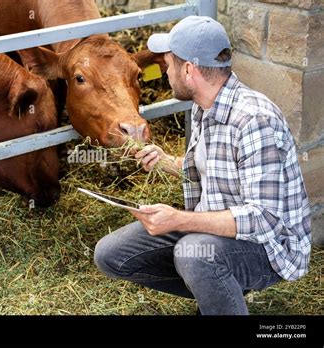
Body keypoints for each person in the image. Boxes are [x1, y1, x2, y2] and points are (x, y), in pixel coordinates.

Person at [93, 16, 312, 315]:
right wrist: (166, 162)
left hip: (270, 248)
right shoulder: (205, 105)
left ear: (188, 70)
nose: (165, 72)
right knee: (111, 254)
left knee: (193, 254)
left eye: (168, 63)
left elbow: (265, 219)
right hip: (216, 229)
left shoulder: (255, 120)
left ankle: (216, 285)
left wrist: (178, 220)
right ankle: (217, 292)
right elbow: (217, 168)